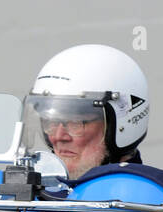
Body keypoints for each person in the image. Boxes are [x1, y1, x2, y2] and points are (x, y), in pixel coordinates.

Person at [26, 44, 149, 180]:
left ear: (120, 126)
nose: (58, 137)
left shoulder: (146, 197)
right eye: (50, 121)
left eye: (76, 122)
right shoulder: (43, 193)